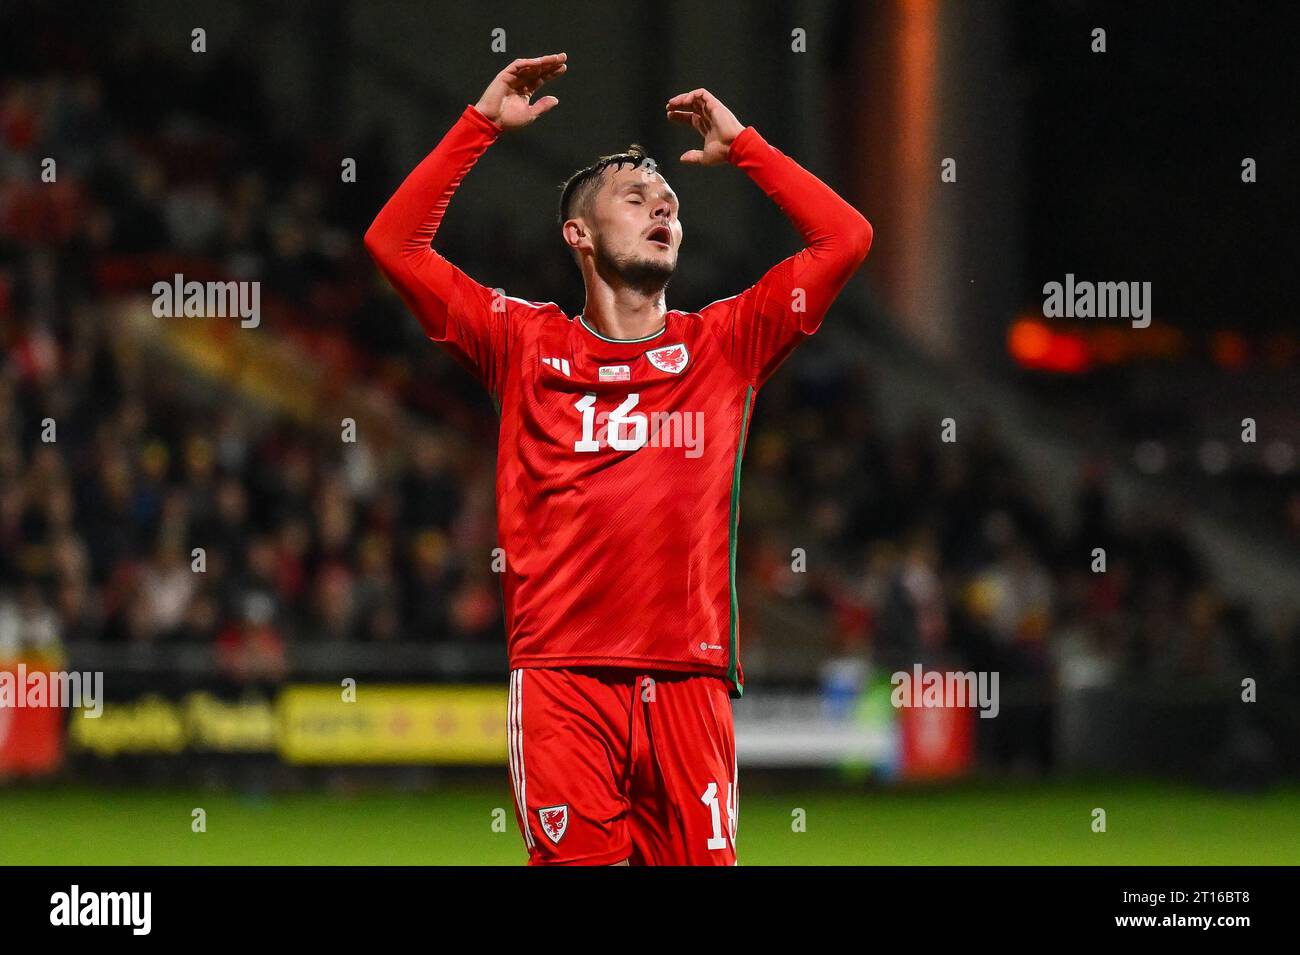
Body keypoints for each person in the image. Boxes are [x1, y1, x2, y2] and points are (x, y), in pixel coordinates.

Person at [365, 52, 872, 865]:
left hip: (689, 687)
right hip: (565, 682)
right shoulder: (523, 343)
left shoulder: (726, 345)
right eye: (635, 198)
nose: (662, 207)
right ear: (580, 235)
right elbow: (395, 243)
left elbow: (847, 237)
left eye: (669, 200)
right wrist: (479, 126)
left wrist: (746, 147)